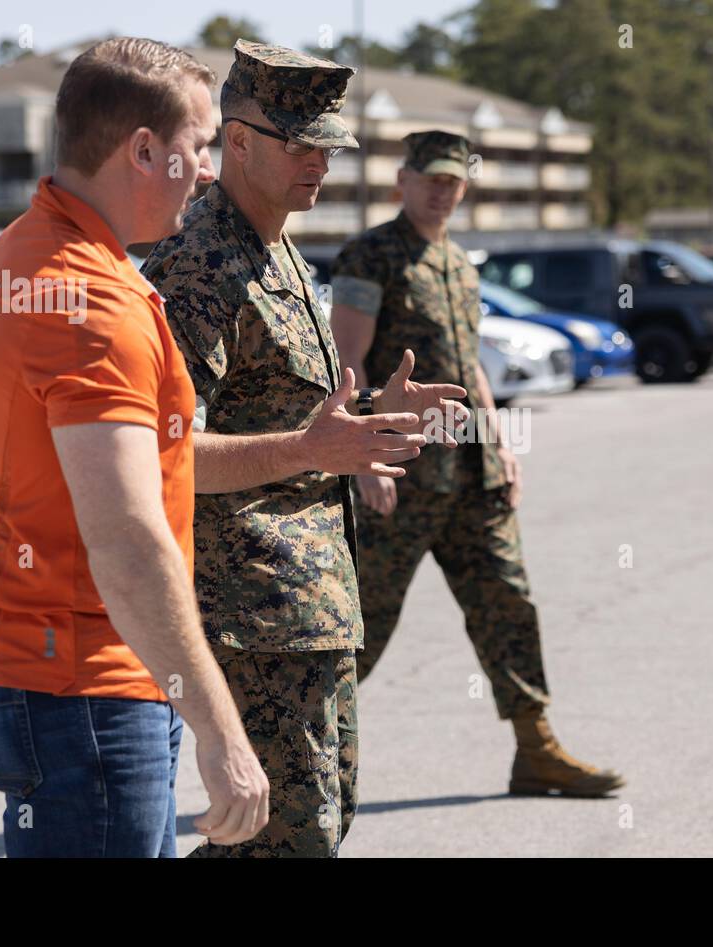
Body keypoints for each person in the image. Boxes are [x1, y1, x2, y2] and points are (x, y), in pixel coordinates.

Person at [142, 41, 467, 858]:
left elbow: (290, 414)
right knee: (290, 839)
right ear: (238, 140)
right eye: (299, 143)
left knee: (307, 825)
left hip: (311, 602)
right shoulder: (201, 261)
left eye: (329, 146)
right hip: (248, 610)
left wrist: (371, 423)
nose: (319, 162)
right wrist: (315, 447)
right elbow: (160, 455)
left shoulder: (277, 242)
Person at [0, 37, 267, 858]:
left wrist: (310, 447)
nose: (206, 171)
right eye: (198, 146)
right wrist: (222, 732)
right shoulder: (87, 297)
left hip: (60, 676)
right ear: (144, 149)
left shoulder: (28, 257)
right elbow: (126, 535)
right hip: (80, 685)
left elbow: (156, 463)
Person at [330, 130, 625, 797]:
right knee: (361, 622)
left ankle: (536, 746)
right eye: (429, 177)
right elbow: (347, 366)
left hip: (472, 476)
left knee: (507, 603)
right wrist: (362, 458)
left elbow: (472, 372)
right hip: (401, 476)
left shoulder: (461, 263)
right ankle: (301, 755)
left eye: (453, 181)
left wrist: (500, 444)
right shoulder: (371, 254)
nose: (441, 190)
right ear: (401, 180)